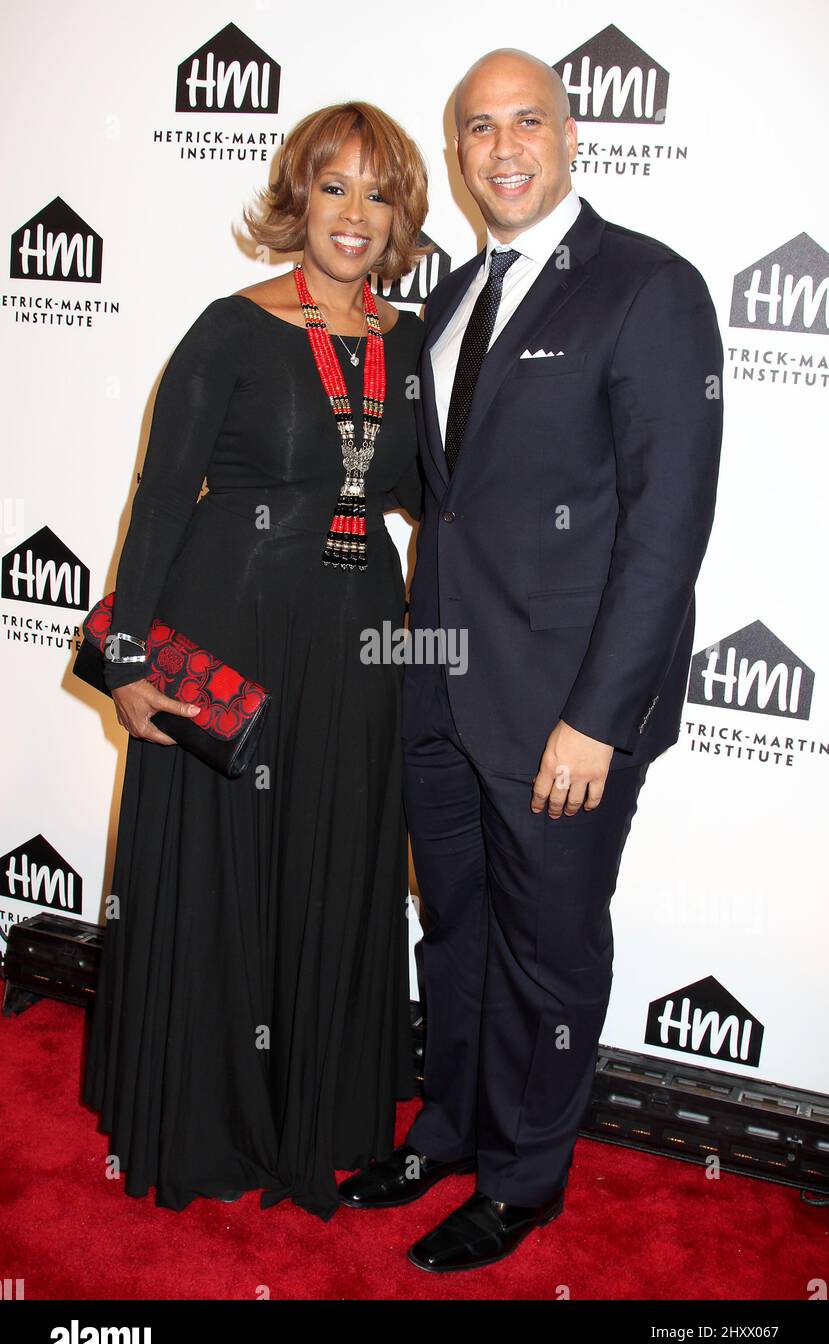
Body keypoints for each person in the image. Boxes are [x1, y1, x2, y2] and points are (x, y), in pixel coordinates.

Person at [338, 49, 724, 1271]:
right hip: (440, 681)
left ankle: (525, 1178)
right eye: (477, 131)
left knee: (548, 950)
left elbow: (667, 529)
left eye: (527, 124)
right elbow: (441, 504)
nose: (503, 149)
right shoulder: (450, 298)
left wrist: (598, 719)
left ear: (571, 136)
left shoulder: (647, 287)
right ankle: (450, 1126)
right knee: (452, 927)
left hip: (566, 709)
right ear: (453, 157)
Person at [82, 100, 427, 1222]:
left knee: (330, 858)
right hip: (228, 641)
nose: (354, 214)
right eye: (335, 186)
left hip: (357, 651)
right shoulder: (229, 329)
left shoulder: (407, 344)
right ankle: (205, 1120)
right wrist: (128, 659)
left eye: (377, 193)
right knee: (224, 877)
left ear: (399, 216)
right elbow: (158, 497)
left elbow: (434, 501)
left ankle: (318, 1113)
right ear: (297, 198)